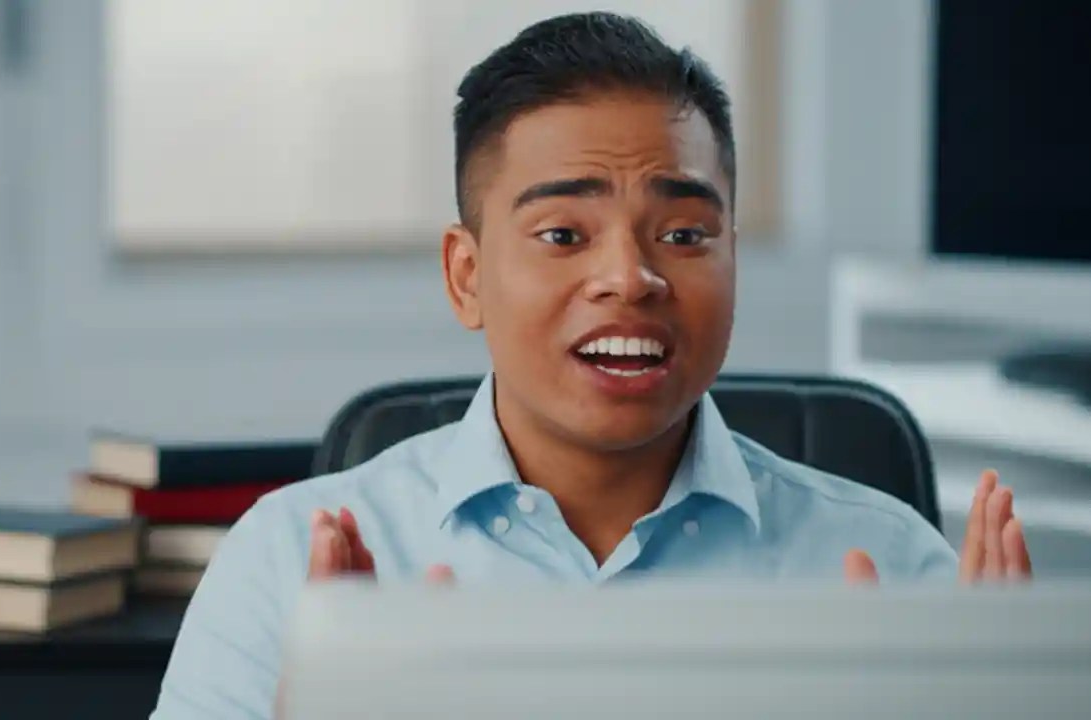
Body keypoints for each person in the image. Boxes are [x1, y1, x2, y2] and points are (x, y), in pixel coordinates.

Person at [150, 12, 1032, 719]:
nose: (631, 278)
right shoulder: (279, 567)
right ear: (467, 276)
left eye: (684, 235)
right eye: (563, 235)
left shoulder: (895, 571)